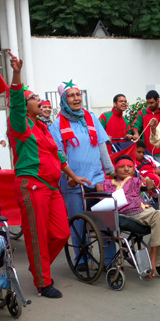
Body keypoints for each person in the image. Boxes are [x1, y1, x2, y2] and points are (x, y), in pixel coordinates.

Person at [7, 54, 90, 298]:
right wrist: (17, 74)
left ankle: (37, 266)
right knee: (37, 235)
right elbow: (16, 100)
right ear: (24, 106)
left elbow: (58, 157)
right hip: (32, 185)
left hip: (52, 187)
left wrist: (73, 176)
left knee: (61, 233)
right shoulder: (20, 125)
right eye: (32, 98)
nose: (38, 100)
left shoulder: (42, 126)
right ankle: (43, 282)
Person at [49, 80, 116, 268]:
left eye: (78, 95)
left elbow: (101, 145)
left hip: (96, 178)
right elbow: (58, 154)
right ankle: (82, 259)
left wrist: (110, 171)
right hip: (73, 181)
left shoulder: (91, 118)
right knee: (78, 223)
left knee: (105, 220)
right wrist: (69, 176)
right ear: (64, 100)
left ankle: (110, 260)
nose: (76, 98)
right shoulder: (56, 126)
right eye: (71, 95)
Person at [100, 155, 160, 275]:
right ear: (115, 171)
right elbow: (99, 194)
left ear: (134, 170)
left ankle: (152, 256)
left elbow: (147, 182)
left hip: (142, 212)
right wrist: (98, 187)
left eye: (130, 167)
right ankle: (152, 258)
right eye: (122, 167)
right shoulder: (106, 183)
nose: (126, 169)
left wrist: (148, 181)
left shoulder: (135, 181)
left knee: (159, 215)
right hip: (122, 215)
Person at [130, 90, 160, 160]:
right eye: (148, 103)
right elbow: (136, 125)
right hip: (147, 152)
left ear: (158, 100)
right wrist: (136, 133)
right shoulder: (143, 112)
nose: (149, 105)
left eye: (151, 103)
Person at [134, 141, 160, 212]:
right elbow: (136, 173)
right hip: (145, 176)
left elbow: (158, 166)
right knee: (157, 180)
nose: (141, 154)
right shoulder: (132, 161)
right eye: (139, 152)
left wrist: (157, 169)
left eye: (143, 152)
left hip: (154, 173)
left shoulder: (148, 157)